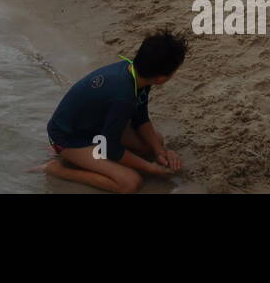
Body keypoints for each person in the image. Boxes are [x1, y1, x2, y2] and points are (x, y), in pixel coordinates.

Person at [41, 30, 187, 193]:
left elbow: (140, 116)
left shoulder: (134, 72)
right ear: (161, 78)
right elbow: (109, 147)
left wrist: (160, 151)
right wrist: (150, 168)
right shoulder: (123, 97)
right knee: (131, 183)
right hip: (67, 138)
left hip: (94, 127)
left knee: (154, 141)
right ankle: (57, 169)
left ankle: (84, 157)